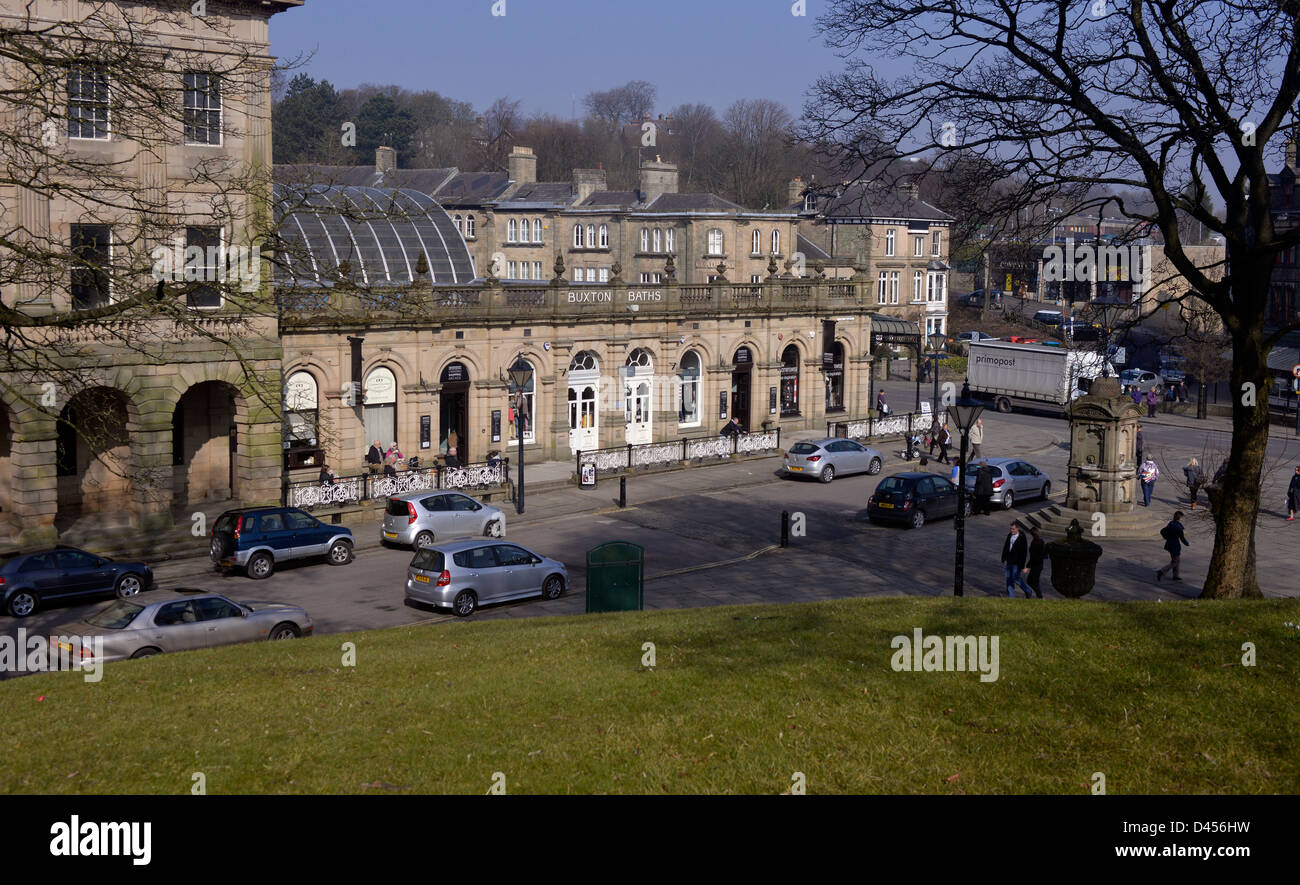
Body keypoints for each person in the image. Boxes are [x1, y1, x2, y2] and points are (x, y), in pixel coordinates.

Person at [1000, 521, 1035, 598]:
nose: (1011, 530)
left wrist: (1022, 565)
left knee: (1016, 578)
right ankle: (1011, 596)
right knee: (1008, 578)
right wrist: (1003, 558)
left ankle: (1028, 591)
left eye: (1013, 529)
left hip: (1017, 563)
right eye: (1011, 529)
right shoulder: (1010, 535)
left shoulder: (1022, 538)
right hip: (1009, 561)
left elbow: (1024, 553)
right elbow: (1006, 546)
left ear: (1017, 529)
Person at [1156, 511, 1190, 582]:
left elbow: (1162, 531)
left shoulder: (1171, 523)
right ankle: (1162, 571)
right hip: (1175, 545)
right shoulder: (1178, 527)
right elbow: (1182, 538)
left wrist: (1167, 538)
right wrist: (1187, 543)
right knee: (1175, 562)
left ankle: (1175, 576)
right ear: (1179, 518)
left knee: (1176, 560)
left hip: (1169, 544)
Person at [1026, 527, 1046, 598]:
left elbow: (1033, 557)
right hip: (1039, 564)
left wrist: (1028, 566)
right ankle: (1037, 595)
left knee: (1033, 582)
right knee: (1031, 581)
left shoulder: (1035, 542)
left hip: (1036, 565)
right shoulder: (1041, 541)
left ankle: (1039, 596)